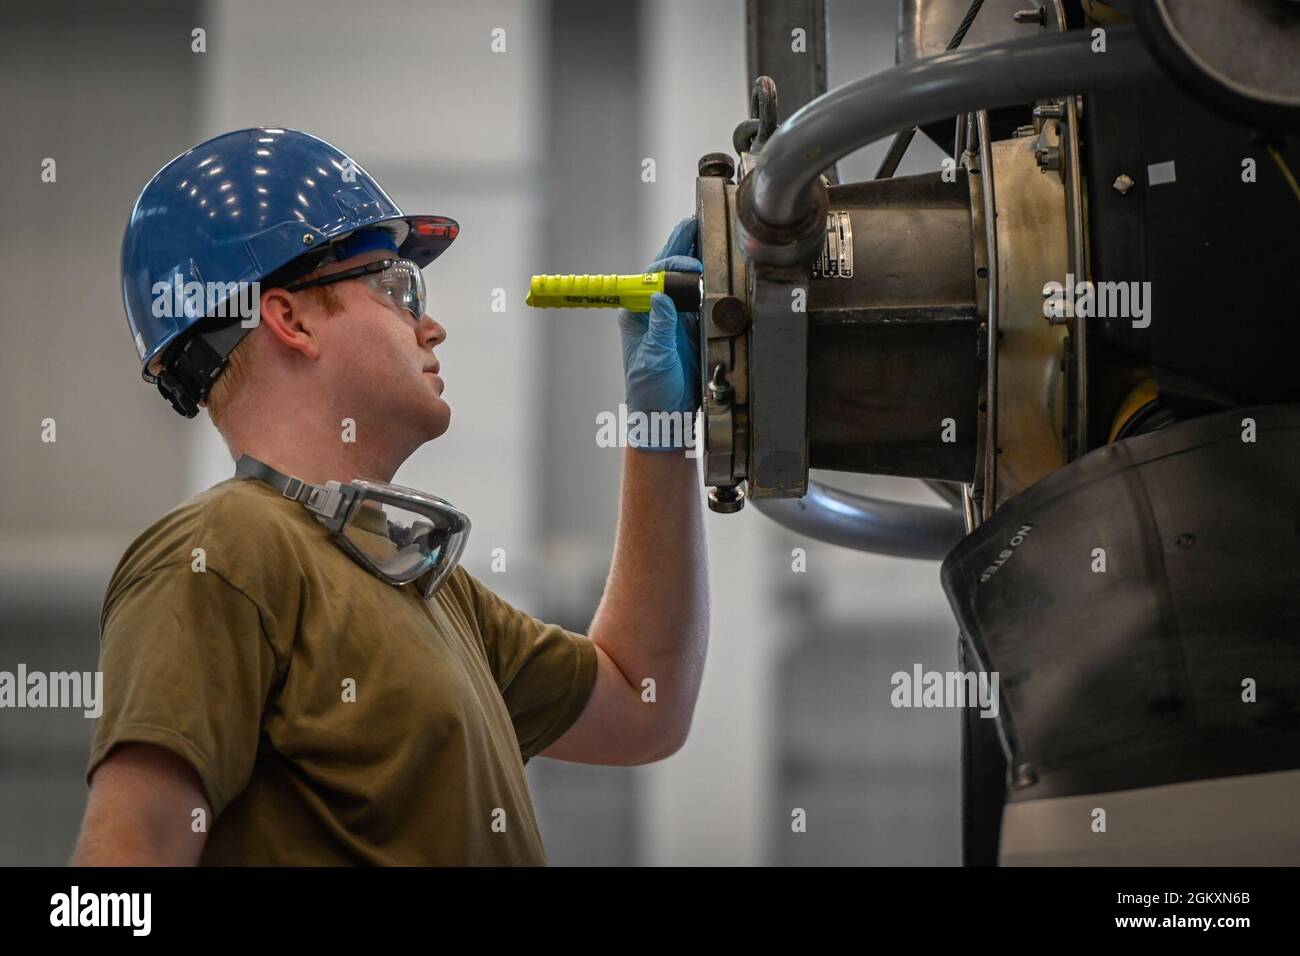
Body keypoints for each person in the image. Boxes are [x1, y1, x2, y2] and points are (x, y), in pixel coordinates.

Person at [72, 128, 708, 865]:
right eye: (398, 288)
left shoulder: (424, 587)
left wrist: (660, 431)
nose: (430, 325)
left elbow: (643, 704)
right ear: (290, 318)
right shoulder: (223, 549)